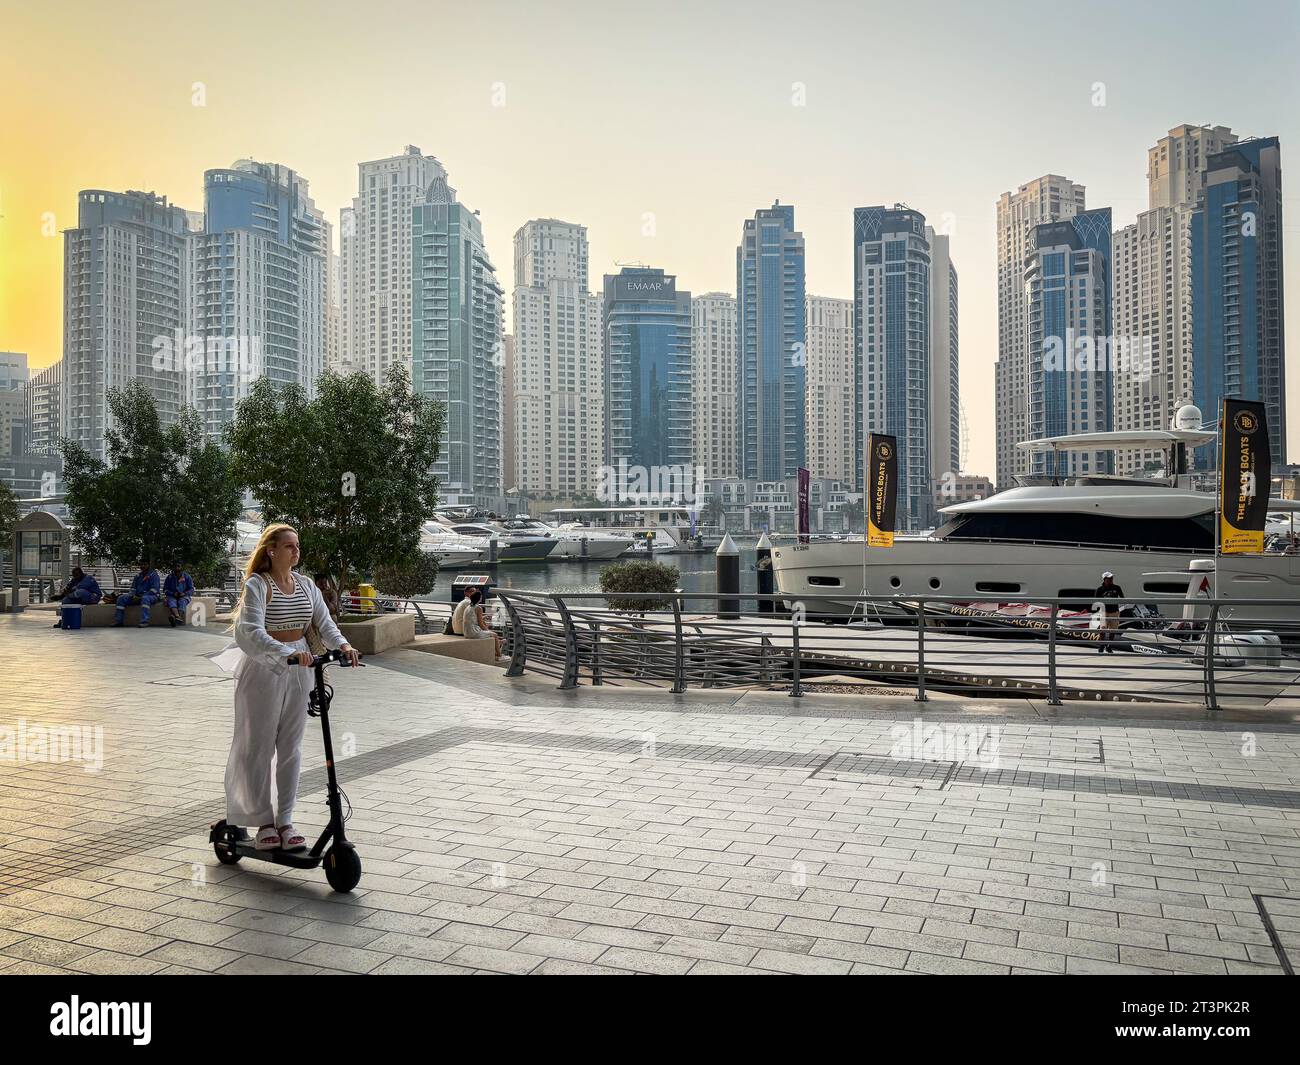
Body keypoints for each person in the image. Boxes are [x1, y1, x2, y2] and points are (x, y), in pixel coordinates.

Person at [216, 524, 359, 852]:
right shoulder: (258, 584)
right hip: (265, 668)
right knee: (259, 745)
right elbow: (250, 629)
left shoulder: (306, 585)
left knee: (291, 747)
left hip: (302, 667)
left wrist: (345, 646)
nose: (296, 551)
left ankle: (286, 820)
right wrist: (286, 652)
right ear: (272, 550)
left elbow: (325, 624)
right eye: (289, 546)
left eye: (297, 546)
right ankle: (264, 821)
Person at [452, 587, 503, 659]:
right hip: (473, 632)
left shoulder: (468, 607)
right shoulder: (478, 608)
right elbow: (481, 624)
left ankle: (497, 644)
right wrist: (489, 631)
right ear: (479, 598)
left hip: (466, 632)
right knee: (494, 635)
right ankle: (499, 655)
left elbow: (472, 619)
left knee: (491, 635)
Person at [112, 562, 160, 627]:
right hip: (137, 596)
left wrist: (141, 596)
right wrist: (133, 595)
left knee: (145, 599)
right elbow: (133, 588)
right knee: (121, 598)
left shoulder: (154, 575)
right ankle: (119, 621)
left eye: (145, 564)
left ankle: (144, 622)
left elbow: (154, 590)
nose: (143, 566)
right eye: (141, 564)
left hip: (151, 596)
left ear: (148, 565)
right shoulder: (138, 576)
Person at [1094, 570, 1124, 654]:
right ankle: (1101, 645)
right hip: (1104, 612)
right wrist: (1097, 612)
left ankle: (1109, 646)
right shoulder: (1099, 589)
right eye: (1109, 578)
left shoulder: (1117, 587)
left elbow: (1122, 597)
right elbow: (1096, 601)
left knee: (1112, 630)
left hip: (1114, 611)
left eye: (1112, 578)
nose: (1111, 579)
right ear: (1104, 579)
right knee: (1102, 629)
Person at [164, 563, 195, 627]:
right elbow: (165, 589)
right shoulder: (169, 577)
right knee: (171, 601)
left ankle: (175, 617)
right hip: (172, 596)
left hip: (184, 596)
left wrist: (184, 593)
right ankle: (178, 617)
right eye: (175, 566)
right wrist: (172, 593)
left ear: (181, 568)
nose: (177, 568)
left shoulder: (187, 577)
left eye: (178, 566)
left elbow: (191, 589)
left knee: (182, 601)